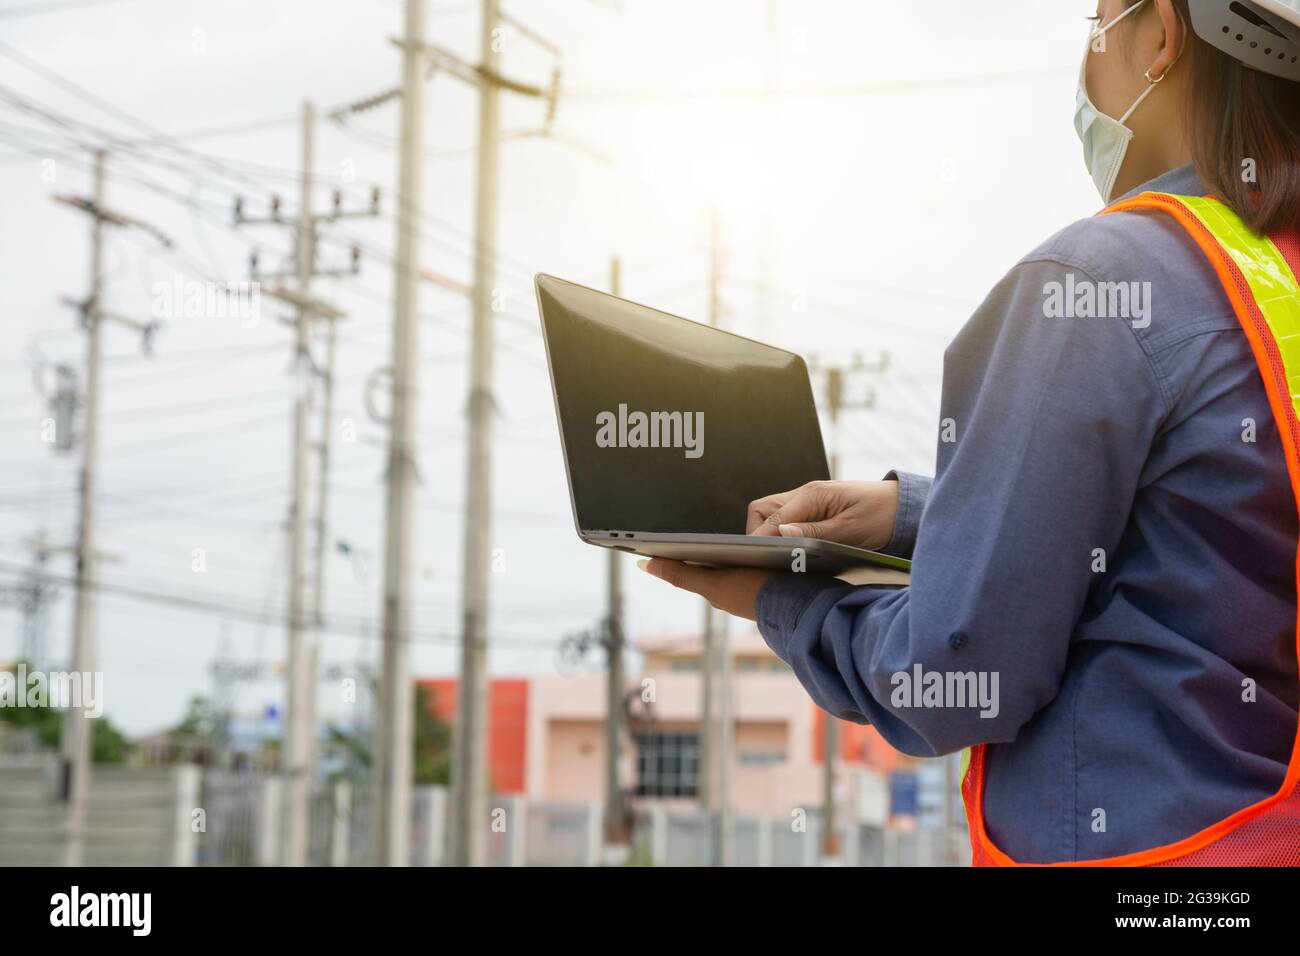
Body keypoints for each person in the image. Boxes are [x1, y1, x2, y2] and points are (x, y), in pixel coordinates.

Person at [639, 0, 1300, 865]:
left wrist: (783, 598)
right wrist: (913, 514)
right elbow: (1193, 535)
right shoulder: (1274, 278)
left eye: (1098, 19)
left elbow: (954, 678)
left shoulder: (1099, 281)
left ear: (1163, 38)